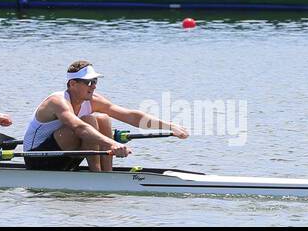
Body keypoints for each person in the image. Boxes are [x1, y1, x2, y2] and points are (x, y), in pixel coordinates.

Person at [22, 61, 188, 172]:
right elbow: (79, 128)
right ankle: (97, 177)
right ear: (73, 84)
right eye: (89, 82)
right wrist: (113, 143)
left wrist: (170, 126)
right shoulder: (57, 101)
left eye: (95, 81)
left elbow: (131, 116)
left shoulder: (93, 100)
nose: (93, 86)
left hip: (64, 154)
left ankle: (106, 175)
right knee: (88, 121)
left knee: (103, 118)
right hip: (38, 159)